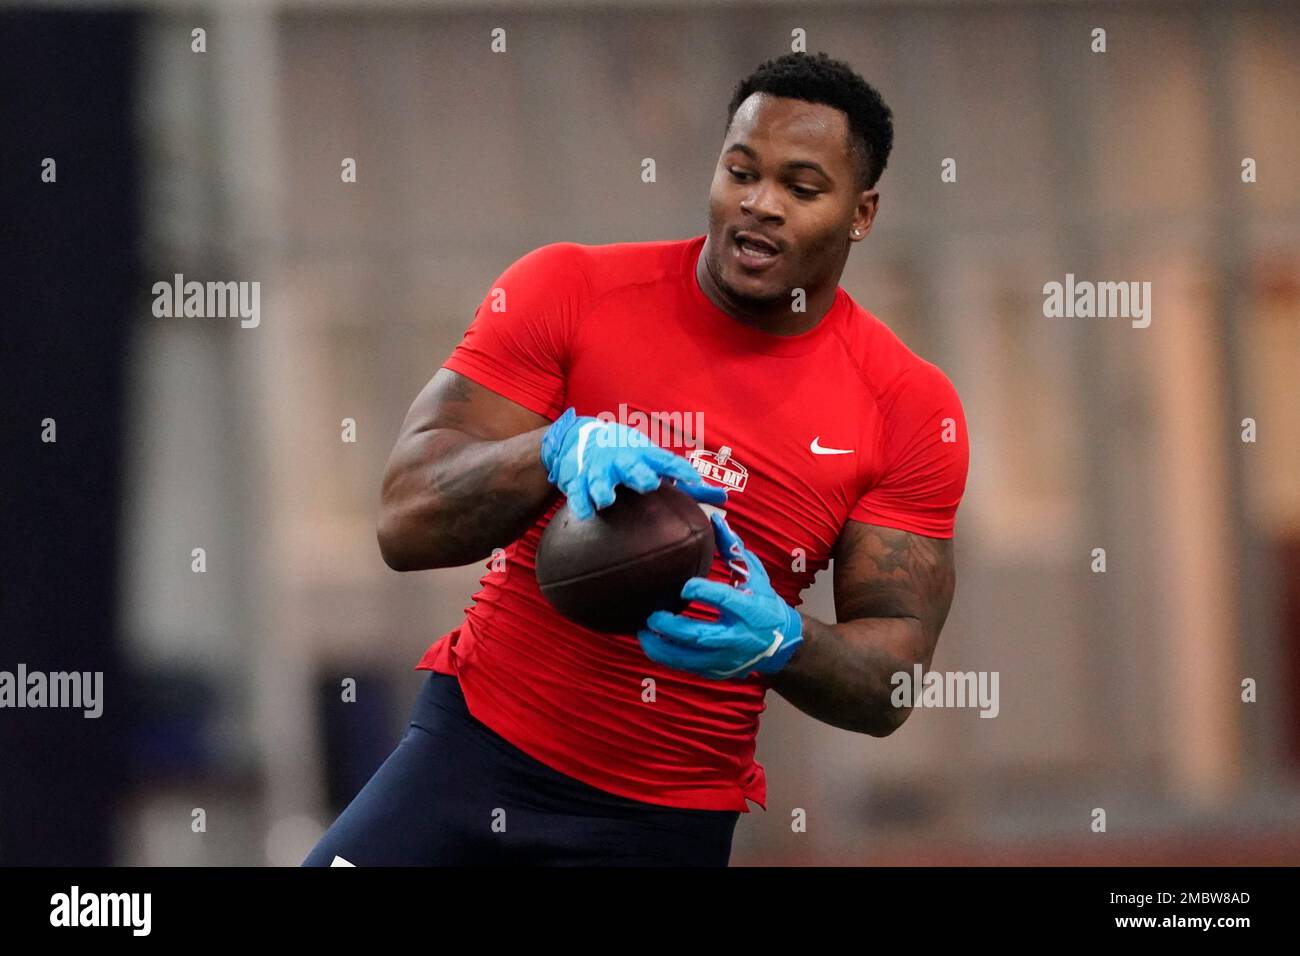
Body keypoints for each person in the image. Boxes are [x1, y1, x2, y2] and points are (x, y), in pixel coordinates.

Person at [303, 51, 969, 867]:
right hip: (472, 754)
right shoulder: (568, 291)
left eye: (801, 188)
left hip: (661, 822)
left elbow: (891, 681)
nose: (758, 205)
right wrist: (550, 449)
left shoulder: (905, 404)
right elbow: (404, 522)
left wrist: (789, 640)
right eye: (740, 172)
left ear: (861, 214)